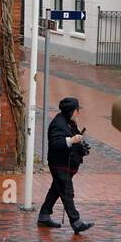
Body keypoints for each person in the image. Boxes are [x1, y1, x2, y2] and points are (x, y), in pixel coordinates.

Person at [36, 96, 94, 234]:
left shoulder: (69, 122)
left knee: (56, 189)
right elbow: (55, 144)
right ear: (71, 111)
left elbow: (75, 137)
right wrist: (71, 140)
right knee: (67, 192)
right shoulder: (58, 123)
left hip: (66, 165)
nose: (78, 113)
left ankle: (44, 216)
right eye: (77, 110)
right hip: (59, 164)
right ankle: (76, 222)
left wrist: (81, 146)